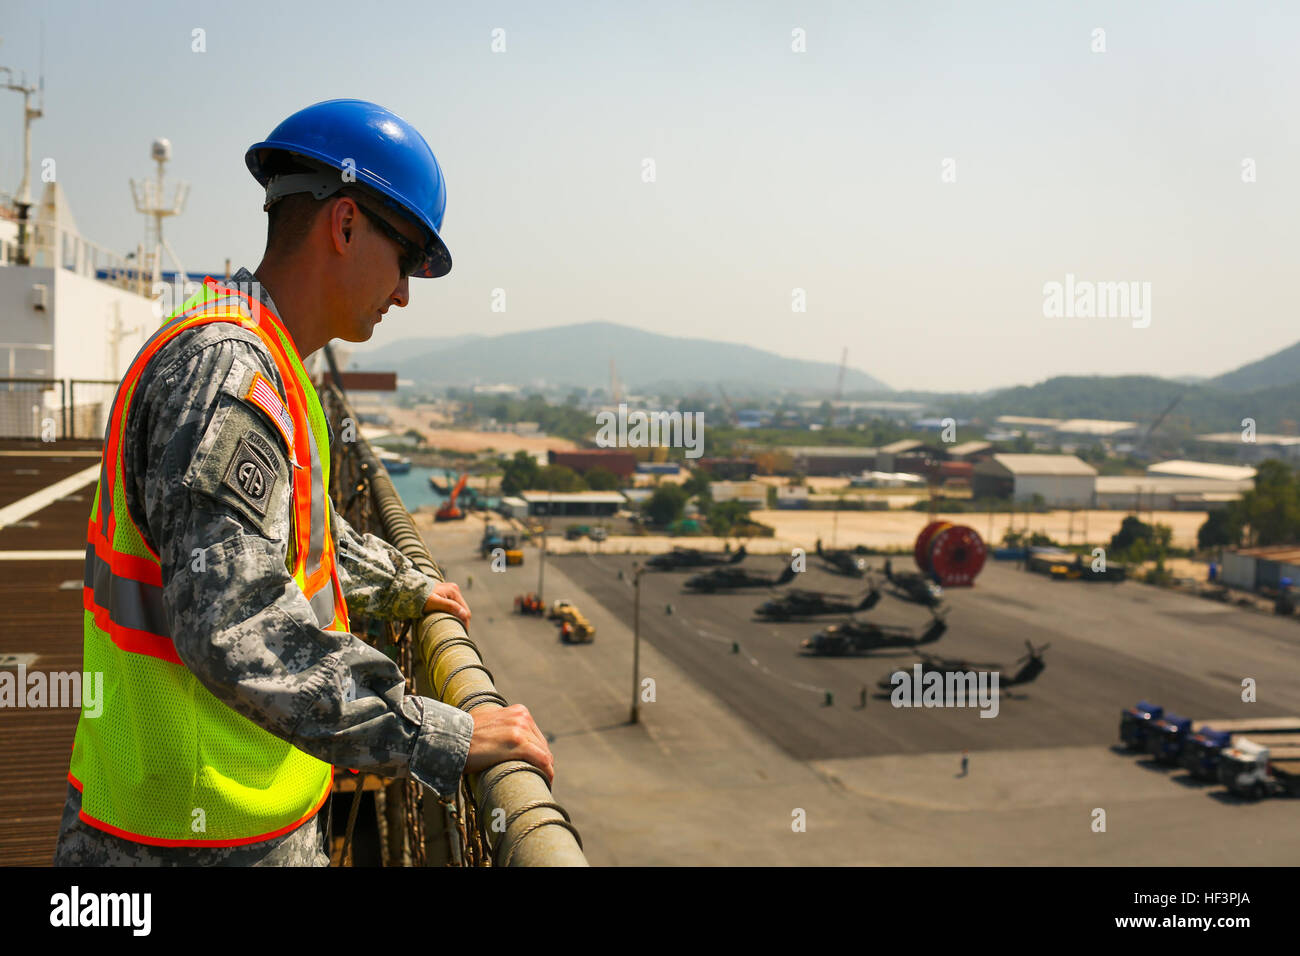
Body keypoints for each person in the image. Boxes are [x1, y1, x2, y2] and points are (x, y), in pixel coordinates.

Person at [54, 100, 553, 866]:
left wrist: (400, 583)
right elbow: (234, 623)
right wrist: (436, 732)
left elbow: (295, 534)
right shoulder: (228, 374)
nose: (406, 292)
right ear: (345, 225)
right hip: (188, 835)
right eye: (409, 256)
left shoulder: (268, 356)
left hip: (219, 814)